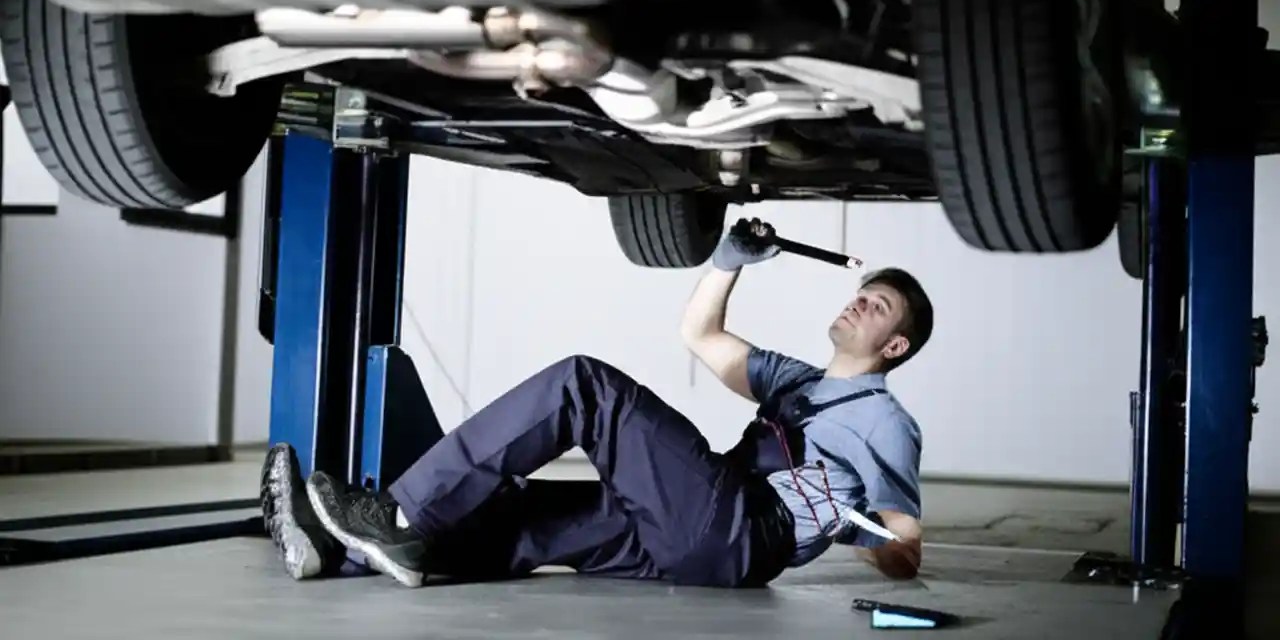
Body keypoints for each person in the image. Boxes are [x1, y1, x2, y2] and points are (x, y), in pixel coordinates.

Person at [261, 218, 932, 588]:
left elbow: (904, 548)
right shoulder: (797, 381)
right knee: (523, 520)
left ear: (895, 346)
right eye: (861, 292)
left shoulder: (885, 422)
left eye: (878, 305)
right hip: (697, 533)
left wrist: (841, 521)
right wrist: (727, 262)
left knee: (585, 387)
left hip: (742, 532)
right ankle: (333, 550)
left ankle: (399, 513)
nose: (858, 301)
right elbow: (700, 335)